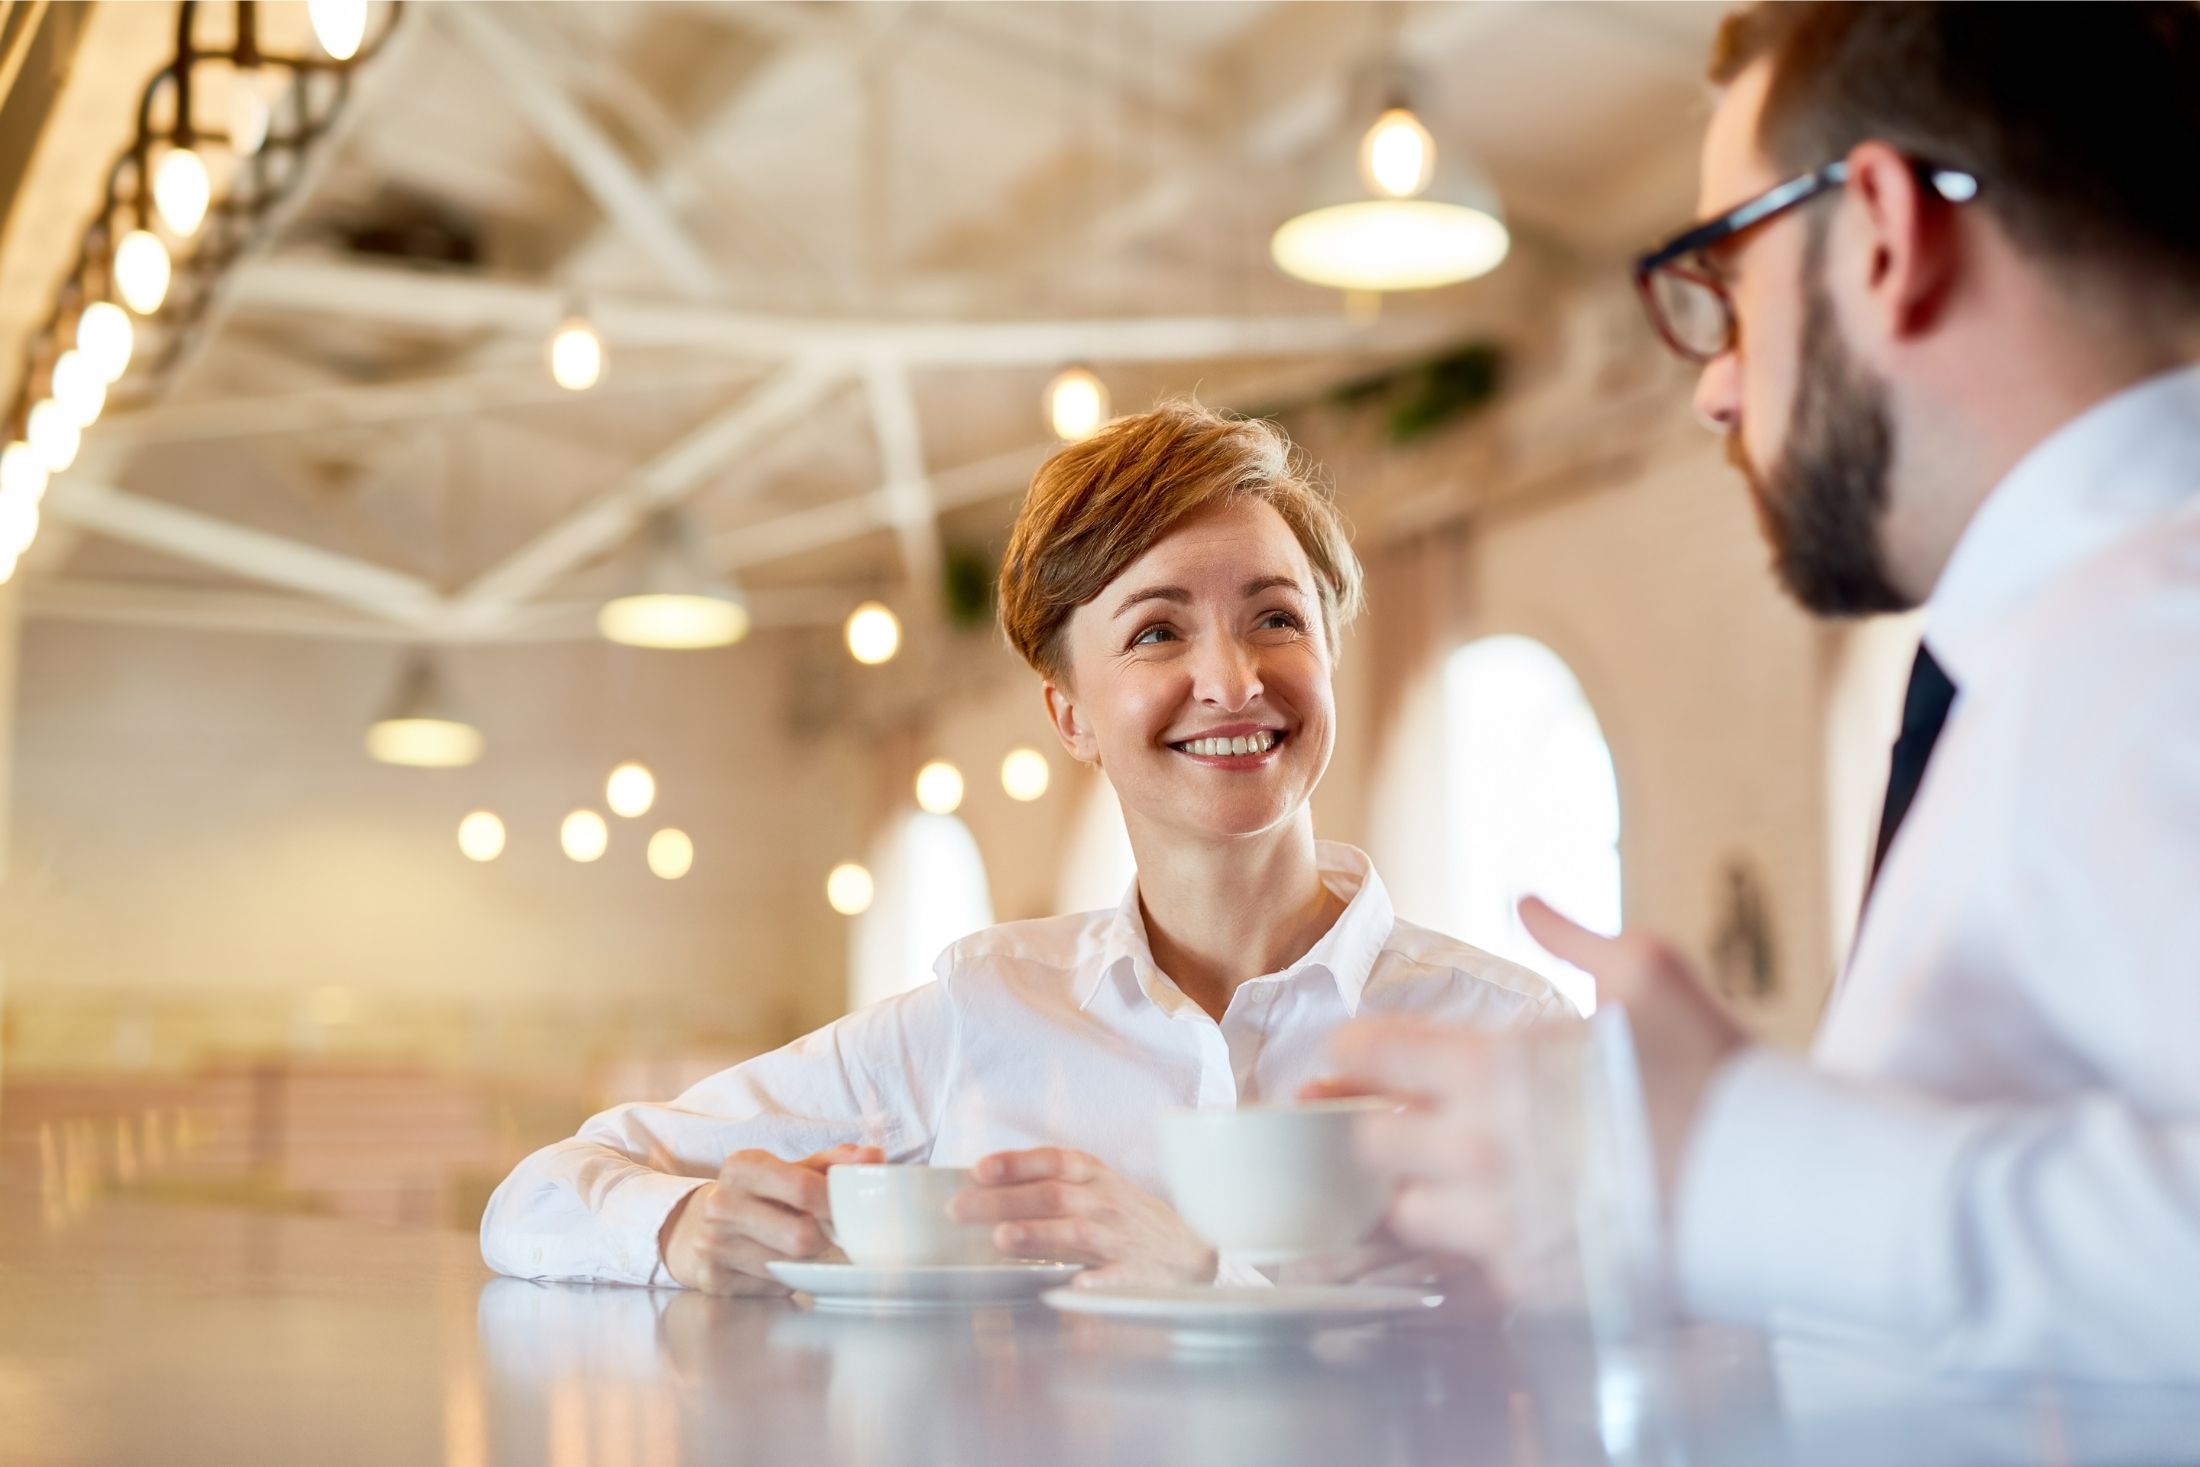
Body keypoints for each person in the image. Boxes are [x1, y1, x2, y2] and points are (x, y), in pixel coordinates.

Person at [1336, 1, 2200, 1379]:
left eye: (1726, 287)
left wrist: (1718, 1156)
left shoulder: (2156, 629)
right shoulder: (2052, 650)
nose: (1715, 392)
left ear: (1881, 232)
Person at [481, 401, 1567, 1294]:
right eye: (1156, 631)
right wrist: (679, 1227)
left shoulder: (1506, 1036)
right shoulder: (977, 1021)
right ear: (1071, 718)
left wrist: (1200, 1272)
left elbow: (1639, 1350)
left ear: (1329, 653)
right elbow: (537, 1194)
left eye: (1276, 618)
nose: (1233, 678)